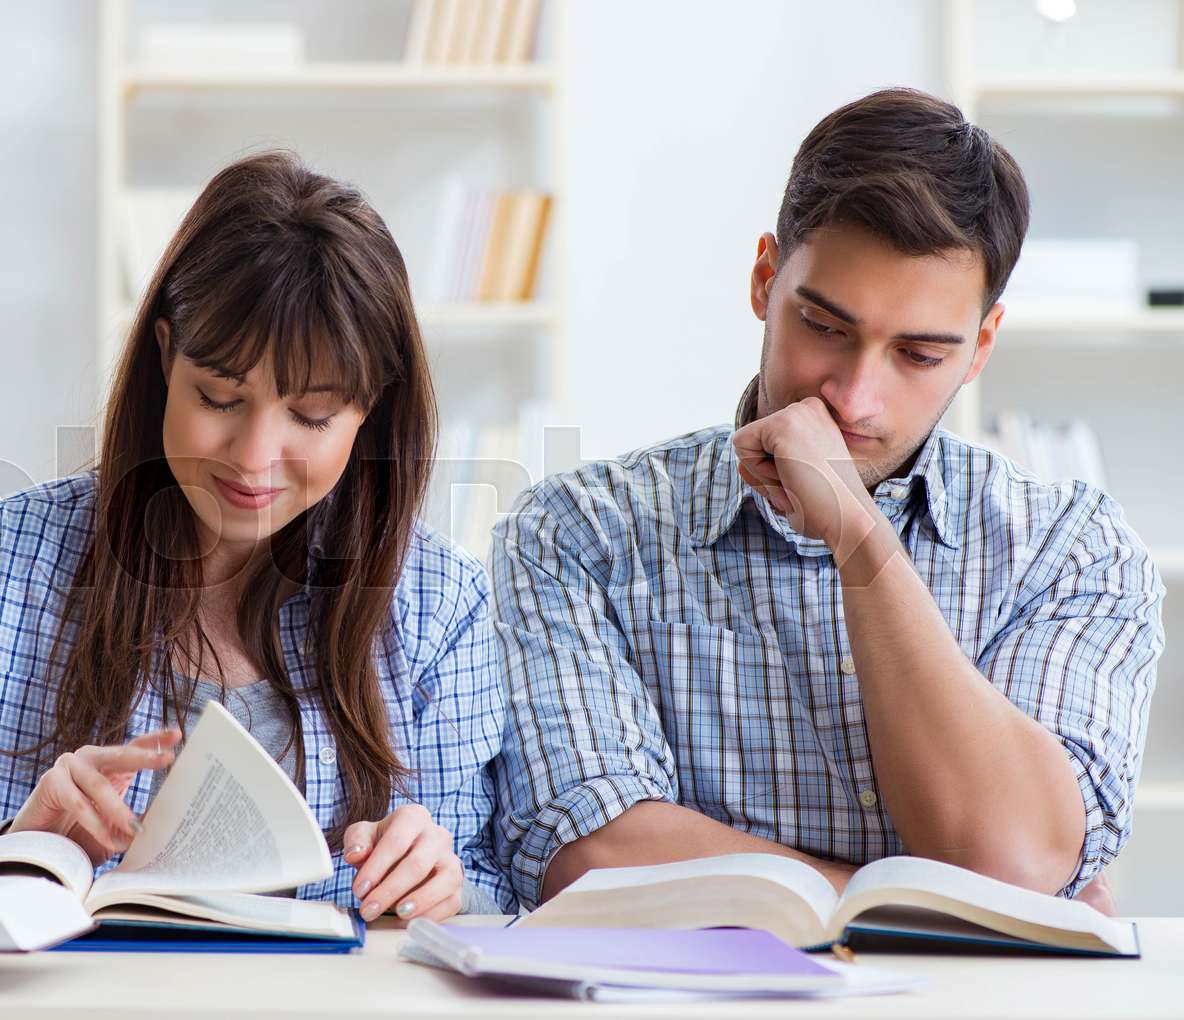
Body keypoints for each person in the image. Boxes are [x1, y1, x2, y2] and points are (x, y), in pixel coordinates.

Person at [491, 88, 1164, 913]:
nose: (854, 397)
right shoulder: (579, 530)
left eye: (917, 355)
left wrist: (860, 538)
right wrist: (943, 910)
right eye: (825, 326)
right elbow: (593, 857)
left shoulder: (1070, 549)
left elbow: (1010, 855)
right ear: (766, 279)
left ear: (980, 347)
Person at [0, 150, 514, 920]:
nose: (252, 459)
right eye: (219, 397)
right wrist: (9, 846)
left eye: (311, 416)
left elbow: (494, 888)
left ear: (369, 409)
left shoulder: (439, 601)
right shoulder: (1, 564)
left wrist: (443, 884)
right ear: (164, 355)